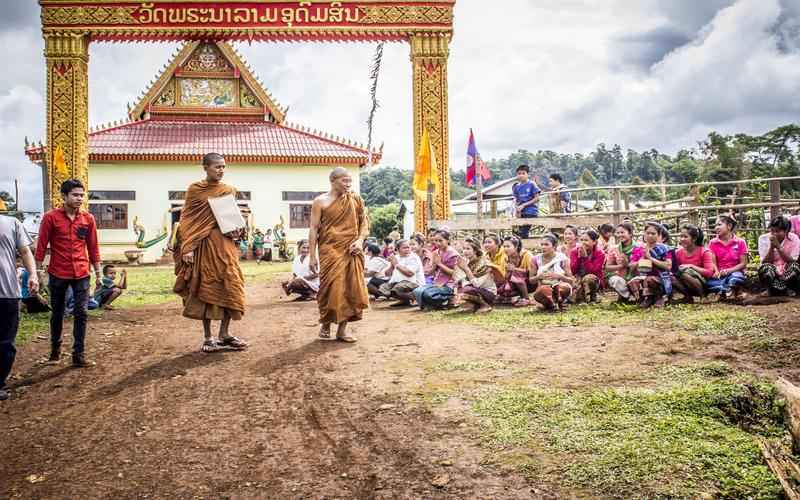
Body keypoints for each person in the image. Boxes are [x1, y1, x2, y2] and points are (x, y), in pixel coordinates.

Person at [173, 153, 248, 353]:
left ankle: (224, 333)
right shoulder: (195, 190)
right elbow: (188, 220)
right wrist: (188, 247)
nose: (221, 170)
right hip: (203, 246)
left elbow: (232, 217)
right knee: (204, 288)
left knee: (231, 285)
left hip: (225, 246)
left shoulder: (229, 190)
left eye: (223, 167)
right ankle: (208, 337)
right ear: (205, 167)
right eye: (217, 167)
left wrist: (239, 229)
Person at [35, 178, 101, 367]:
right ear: (64, 196)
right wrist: (38, 271)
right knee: (57, 313)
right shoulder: (51, 218)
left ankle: (78, 354)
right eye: (75, 195)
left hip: (81, 273)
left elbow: (93, 247)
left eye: (82, 195)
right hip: (58, 273)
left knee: (81, 312)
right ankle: (55, 349)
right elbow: (41, 246)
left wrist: (98, 272)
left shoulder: (88, 219)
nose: (80, 198)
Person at [308, 167, 370, 342]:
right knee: (331, 288)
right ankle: (326, 324)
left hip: (351, 249)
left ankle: (342, 330)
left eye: (350, 181)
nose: (348, 184)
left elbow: (364, 223)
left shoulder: (356, 199)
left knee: (351, 288)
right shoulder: (320, 201)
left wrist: (360, 241)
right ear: (333, 181)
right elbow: (313, 229)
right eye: (344, 181)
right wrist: (312, 256)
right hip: (330, 250)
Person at [1, 214, 38, 401]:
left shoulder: (11, 223)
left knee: (6, 343)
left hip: (7, 292)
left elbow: (25, 251)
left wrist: (33, 274)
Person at [628, 222, 673, 308]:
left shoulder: (665, 249)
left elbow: (668, 266)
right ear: (644, 234)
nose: (650, 235)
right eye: (648, 233)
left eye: (653, 233)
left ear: (659, 235)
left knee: (650, 280)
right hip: (642, 276)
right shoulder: (638, 248)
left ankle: (659, 297)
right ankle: (648, 298)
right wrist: (643, 257)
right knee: (633, 282)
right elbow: (631, 267)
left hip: (661, 278)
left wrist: (650, 258)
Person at [412, 229, 459, 310]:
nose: (438, 243)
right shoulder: (436, 252)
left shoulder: (453, 254)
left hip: (449, 285)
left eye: (440, 240)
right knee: (416, 291)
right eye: (436, 240)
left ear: (447, 240)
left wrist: (440, 264)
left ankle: (449, 298)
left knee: (428, 294)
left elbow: (456, 274)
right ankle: (435, 304)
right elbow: (431, 271)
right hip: (436, 282)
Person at [706, 215, 748, 299]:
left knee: (735, 279)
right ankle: (729, 290)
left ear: (729, 226)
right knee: (709, 284)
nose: (716, 227)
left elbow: (743, 263)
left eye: (719, 224)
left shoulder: (740, 242)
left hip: (735, 272)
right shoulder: (713, 243)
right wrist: (717, 271)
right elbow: (712, 261)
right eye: (715, 225)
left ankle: (731, 290)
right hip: (720, 275)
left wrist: (729, 271)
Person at [757, 215, 800, 296]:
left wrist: (779, 247)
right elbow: (764, 262)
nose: (774, 234)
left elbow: (792, 260)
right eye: (772, 231)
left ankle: (788, 288)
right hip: (773, 273)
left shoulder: (794, 238)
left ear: (786, 231)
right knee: (765, 268)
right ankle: (770, 289)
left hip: (787, 273)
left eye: (778, 231)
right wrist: (771, 248)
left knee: (795, 266)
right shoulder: (763, 238)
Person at [531, 234, 574, 312]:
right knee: (544, 291)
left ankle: (556, 302)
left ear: (554, 246)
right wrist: (539, 277)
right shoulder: (535, 259)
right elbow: (531, 280)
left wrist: (560, 276)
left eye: (546, 244)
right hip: (543, 287)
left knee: (564, 288)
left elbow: (571, 280)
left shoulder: (562, 259)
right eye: (542, 244)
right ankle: (552, 304)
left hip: (559, 287)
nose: (543, 247)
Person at [672, 225, 715, 303]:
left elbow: (709, 272)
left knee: (685, 273)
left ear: (694, 239)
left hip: (702, 284)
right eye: (681, 236)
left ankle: (703, 296)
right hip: (684, 283)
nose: (682, 239)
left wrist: (691, 266)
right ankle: (688, 297)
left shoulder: (704, 252)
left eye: (685, 237)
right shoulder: (678, 252)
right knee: (671, 276)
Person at [379, 239, 425, 307]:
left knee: (397, 288)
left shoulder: (413, 257)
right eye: (404, 248)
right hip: (399, 283)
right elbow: (387, 274)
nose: (407, 249)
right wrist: (392, 265)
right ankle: (405, 301)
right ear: (397, 249)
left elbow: (410, 273)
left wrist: (396, 264)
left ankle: (417, 299)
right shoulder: (396, 257)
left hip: (414, 283)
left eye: (408, 247)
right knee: (383, 289)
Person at [456, 238, 497, 314]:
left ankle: (485, 305)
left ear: (475, 250)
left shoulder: (484, 263)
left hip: (488, 293)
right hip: (475, 289)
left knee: (466, 290)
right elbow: (460, 279)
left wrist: (466, 269)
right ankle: (475, 305)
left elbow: (477, 284)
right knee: (461, 289)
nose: (465, 251)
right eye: (464, 249)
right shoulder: (467, 261)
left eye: (468, 249)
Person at [604, 222, 638, 302]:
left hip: (635, 277)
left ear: (630, 234)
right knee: (615, 280)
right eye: (618, 233)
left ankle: (635, 295)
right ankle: (629, 297)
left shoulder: (639, 248)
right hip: (621, 278)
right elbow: (607, 267)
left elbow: (641, 266)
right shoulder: (614, 249)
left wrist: (628, 264)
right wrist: (621, 266)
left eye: (622, 232)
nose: (620, 235)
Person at [496, 235, 534, 306]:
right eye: (504, 246)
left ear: (516, 247)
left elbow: (532, 273)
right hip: (515, 282)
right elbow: (505, 275)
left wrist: (514, 269)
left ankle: (526, 299)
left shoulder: (527, 255)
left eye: (508, 246)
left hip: (530, 282)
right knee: (504, 289)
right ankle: (511, 297)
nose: (505, 249)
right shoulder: (505, 257)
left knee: (515, 273)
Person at [570, 229, 606, 303]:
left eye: (586, 240)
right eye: (581, 240)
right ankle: (581, 296)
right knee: (576, 299)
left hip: (593, 279)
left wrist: (585, 257)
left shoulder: (600, 253)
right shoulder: (574, 251)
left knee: (589, 278)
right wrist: (579, 257)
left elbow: (593, 271)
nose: (583, 243)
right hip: (579, 278)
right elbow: (573, 271)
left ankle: (594, 295)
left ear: (594, 242)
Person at [512, 165, 541, 239]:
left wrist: (524, 205)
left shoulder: (531, 184)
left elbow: (537, 198)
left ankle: (525, 248)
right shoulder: (516, 186)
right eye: (519, 173)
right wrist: (517, 210)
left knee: (523, 232)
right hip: (521, 212)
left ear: (527, 174)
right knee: (516, 232)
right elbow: (516, 200)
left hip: (531, 212)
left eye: (523, 173)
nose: (521, 175)